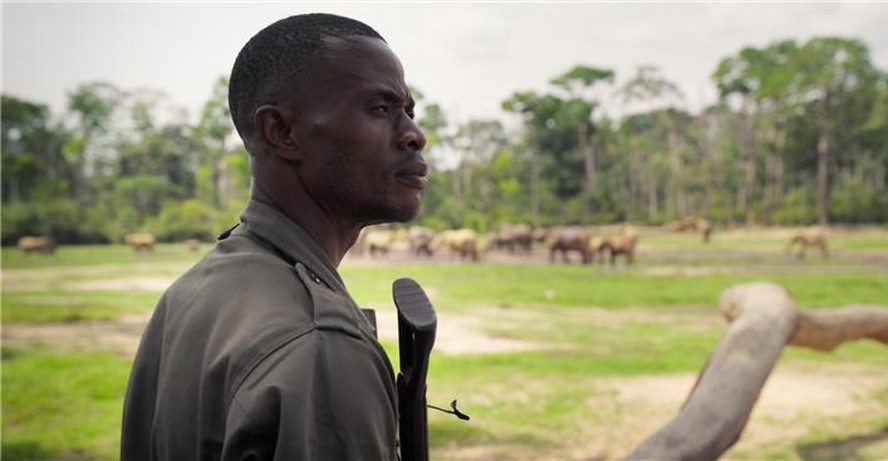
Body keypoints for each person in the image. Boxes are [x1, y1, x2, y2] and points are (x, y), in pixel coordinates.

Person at [121, 12, 427, 460]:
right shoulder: (319, 344)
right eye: (380, 109)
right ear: (281, 132)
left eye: (409, 112)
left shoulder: (198, 287)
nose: (414, 135)